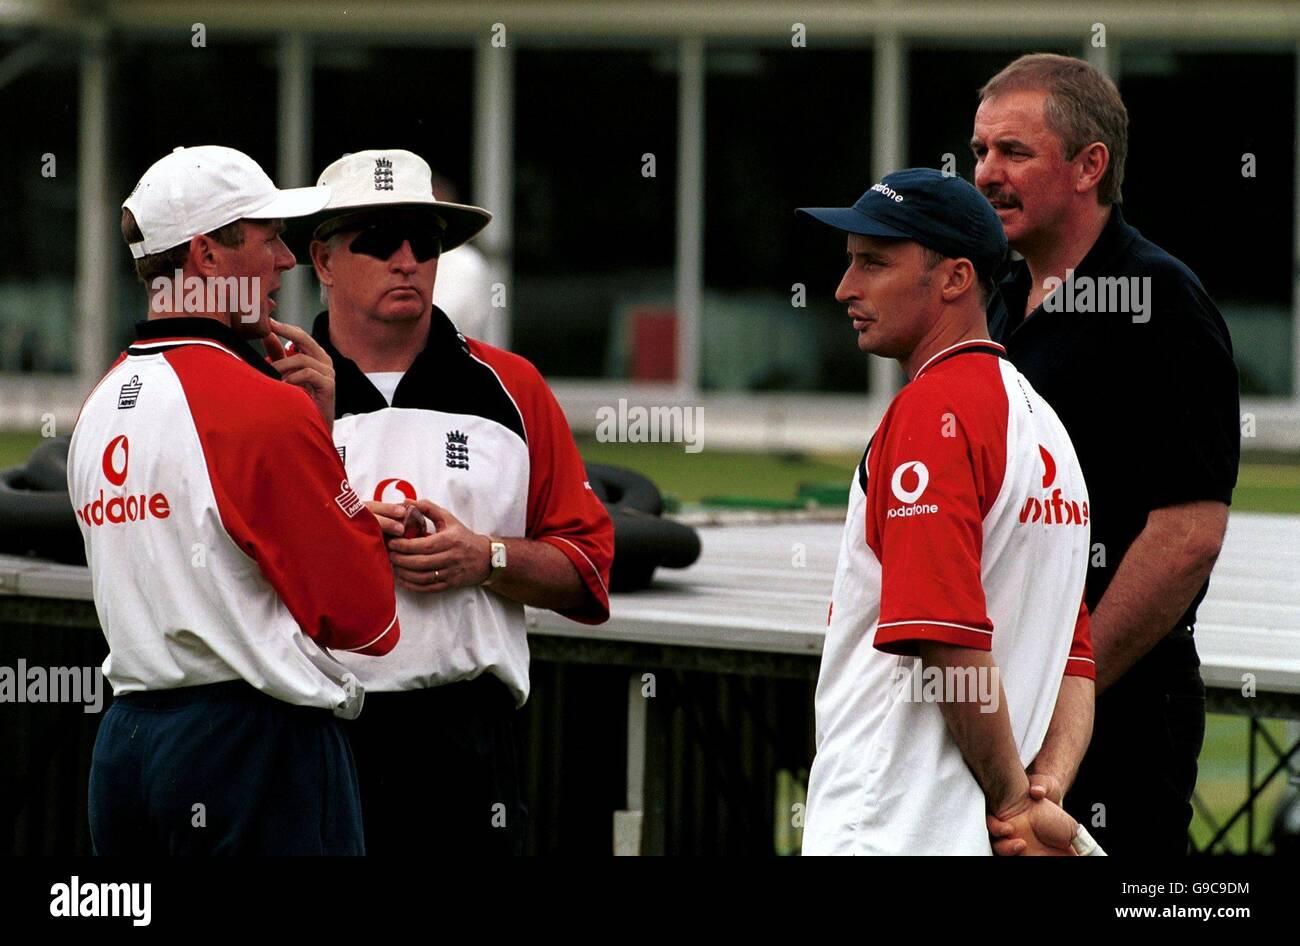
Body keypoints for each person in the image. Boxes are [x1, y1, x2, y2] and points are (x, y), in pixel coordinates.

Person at [68, 145, 401, 855]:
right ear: (206, 257)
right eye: (267, 237)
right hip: (255, 755)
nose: (288, 260)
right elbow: (364, 618)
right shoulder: (265, 410)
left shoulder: (97, 408)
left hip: (124, 748)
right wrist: (321, 439)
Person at [305, 149, 614, 855]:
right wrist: (340, 526)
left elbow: (590, 565)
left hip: (464, 740)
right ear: (322, 260)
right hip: (309, 725)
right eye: (379, 239)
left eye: (426, 239)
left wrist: (486, 556)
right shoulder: (275, 391)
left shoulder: (514, 387)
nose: (407, 259)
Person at [973, 54, 1240, 855]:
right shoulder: (991, 296)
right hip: (999, 697)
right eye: (979, 150)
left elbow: (1188, 535)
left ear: (1091, 165)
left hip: (1122, 709)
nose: (986, 174)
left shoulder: (1161, 303)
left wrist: (1068, 686)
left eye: (1013, 152)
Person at [796, 168, 1095, 855]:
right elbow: (1075, 656)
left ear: (956, 279)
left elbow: (944, 635)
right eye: (849, 263)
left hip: (890, 826)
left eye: (873, 262)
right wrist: (1042, 792)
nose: (846, 288)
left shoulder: (934, 411)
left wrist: (1015, 797)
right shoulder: (1045, 424)